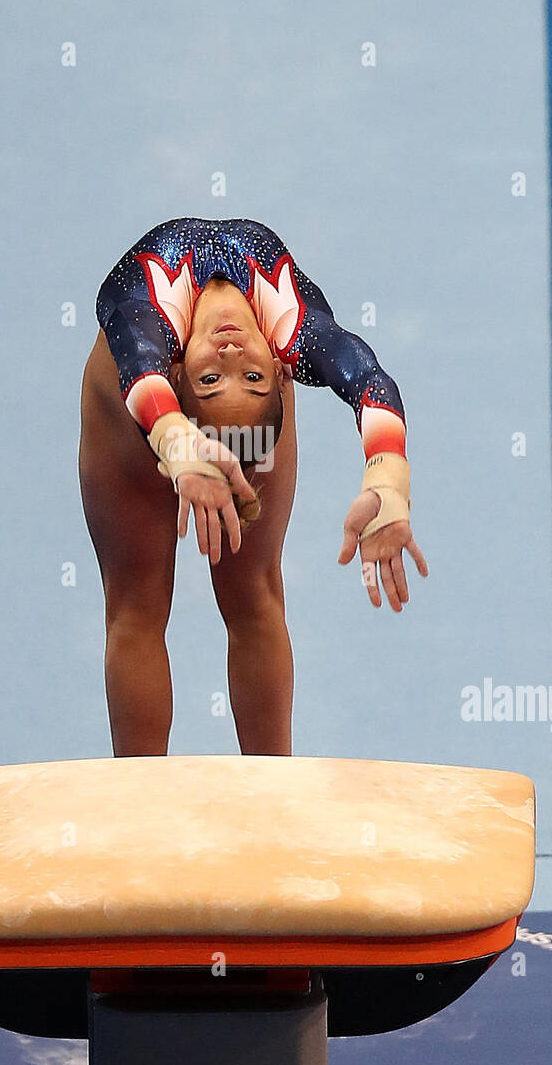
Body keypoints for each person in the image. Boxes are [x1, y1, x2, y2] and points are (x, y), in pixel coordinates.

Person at [78, 216, 428, 757]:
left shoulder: (155, 318)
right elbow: (367, 379)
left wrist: (388, 482)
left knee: (249, 597)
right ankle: (141, 799)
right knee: (140, 607)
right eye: (251, 376)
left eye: (214, 380)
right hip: (132, 422)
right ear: (281, 367)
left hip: (170, 418)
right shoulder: (292, 329)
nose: (233, 357)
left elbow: (142, 358)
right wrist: (389, 478)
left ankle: (271, 791)